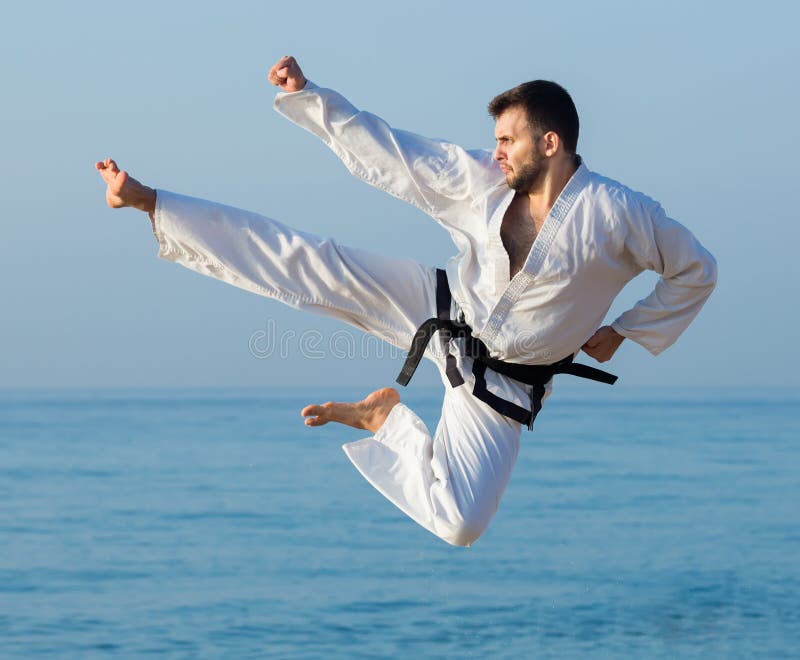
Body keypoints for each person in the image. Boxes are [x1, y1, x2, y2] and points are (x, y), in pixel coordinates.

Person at [95, 55, 717, 547]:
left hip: (504, 383)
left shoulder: (621, 214)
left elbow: (696, 270)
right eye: (495, 140)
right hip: (444, 312)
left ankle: (383, 420)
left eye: (508, 139)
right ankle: (153, 203)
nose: (496, 151)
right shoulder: (485, 181)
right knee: (306, 264)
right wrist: (308, 95)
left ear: (550, 143)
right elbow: (391, 154)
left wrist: (628, 329)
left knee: (460, 524)